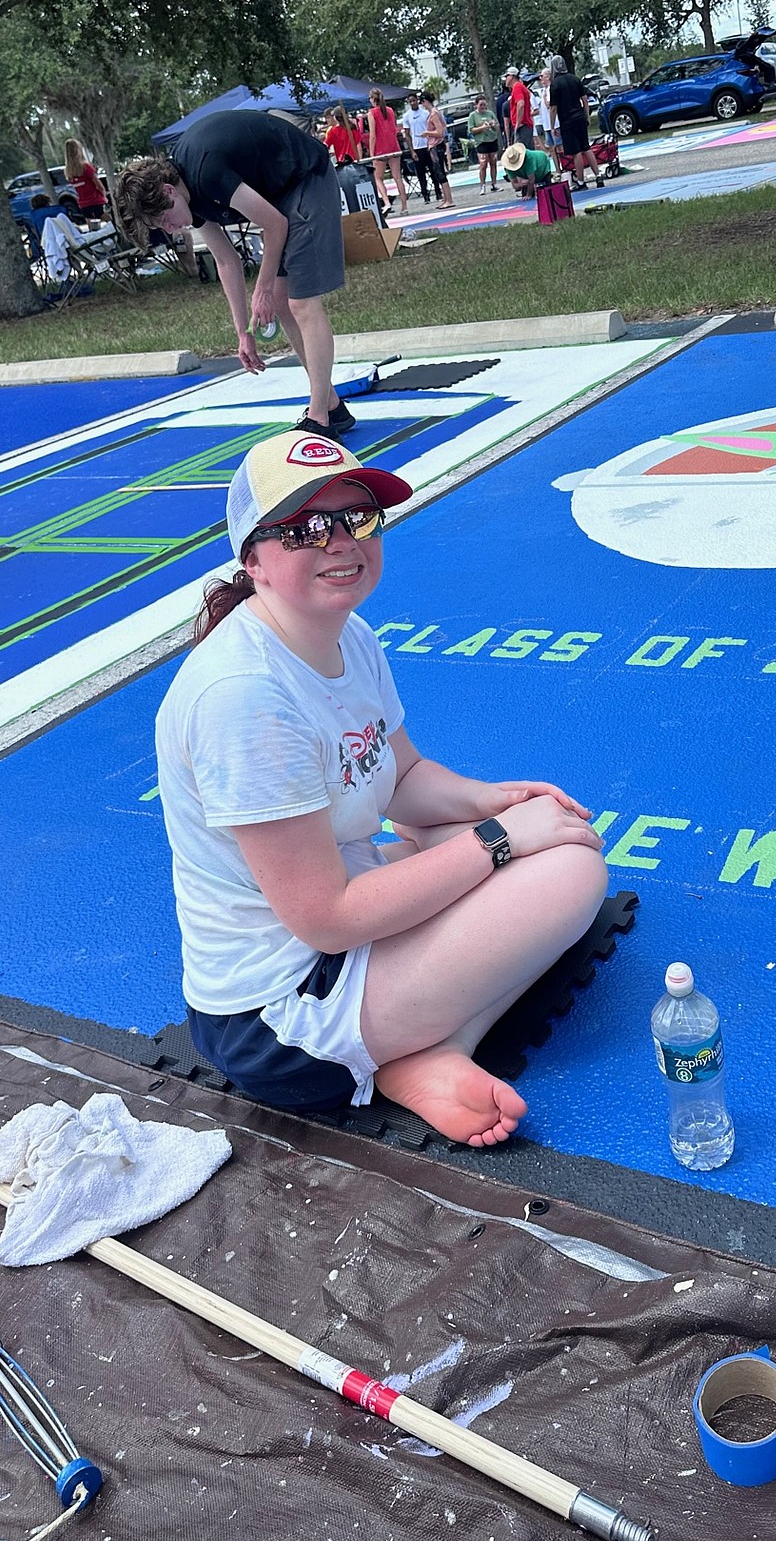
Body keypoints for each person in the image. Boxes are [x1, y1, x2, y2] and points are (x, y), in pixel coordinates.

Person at [155, 429, 607, 1145]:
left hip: (333, 933)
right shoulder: (244, 697)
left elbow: (402, 778)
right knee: (570, 873)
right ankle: (400, 1055)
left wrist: (495, 803)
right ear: (254, 559)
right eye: (305, 528)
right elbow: (326, 917)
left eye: (355, 518)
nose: (339, 541)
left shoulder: (346, 634)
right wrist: (497, 841)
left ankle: (424, 1051)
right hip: (278, 1017)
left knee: (498, 837)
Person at [115, 111, 354, 440]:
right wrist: (244, 333)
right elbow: (226, 261)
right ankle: (331, 406)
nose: (170, 229)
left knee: (300, 303)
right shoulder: (188, 197)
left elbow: (275, 225)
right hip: (280, 191)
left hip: (306, 176)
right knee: (283, 305)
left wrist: (264, 287)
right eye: (161, 229)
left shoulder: (206, 172)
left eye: (164, 221)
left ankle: (319, 418)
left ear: (169, 191)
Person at [548, 55, 605, 191]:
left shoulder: (555, 84)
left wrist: (552, 126)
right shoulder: (575, 79)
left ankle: (581, 181)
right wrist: (587, 116)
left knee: (576, 152)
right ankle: (598, 175)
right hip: (579, 117)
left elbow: (553, 107)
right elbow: (584, 99)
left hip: (567, 120)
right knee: (586, 147)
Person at [367, 89, 409, 216]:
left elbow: (373, 135)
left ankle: (386, 202)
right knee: (397, 177)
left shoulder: (372, 113)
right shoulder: (390, 111)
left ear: (373, 99)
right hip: (393, 146)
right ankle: (404, 206)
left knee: (378, 177)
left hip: (380, 149)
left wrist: (372, 152)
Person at [419, 92, 454, 208]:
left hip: (436, 145)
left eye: (422, 102)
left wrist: (427, 133)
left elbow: (439, 132)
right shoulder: (434, 112)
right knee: (438, 172)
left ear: (425, 101)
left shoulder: (434, 114)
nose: (422, 105)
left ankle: (448, 199)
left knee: (440, 172)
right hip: (435, 145)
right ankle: (446, 198)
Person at [401, 91, 434, 203]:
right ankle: (425, 195)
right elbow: (407, 134)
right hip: (417, 147)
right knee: (421, 174)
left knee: (433, 171)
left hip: (428, 145)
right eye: (410, 101)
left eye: (414, 100)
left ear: (417, 101)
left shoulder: (425, 113)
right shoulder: (407, 116)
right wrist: (412, 150)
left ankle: (438, 192)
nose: (412, 103)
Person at [466, 93, 501, 194]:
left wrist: (493, 125)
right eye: (481, 105)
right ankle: (482, 185)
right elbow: (471, 130)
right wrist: (481, 128)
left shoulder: (490, 113)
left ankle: (494, 184)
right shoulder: (473, 116)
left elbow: (497, 126)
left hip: (492, 140)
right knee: (483, 164)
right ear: (476, 105)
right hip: (481, 142)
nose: (483, 107)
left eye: (484, 105)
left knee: (493, 162)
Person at [64, 141, 107, 219]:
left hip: (83, 204)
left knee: (93, 227)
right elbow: (99, 185)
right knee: (109, 223)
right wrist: (104, 196)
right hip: (96, 200)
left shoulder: (68, 171)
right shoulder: (85, 166)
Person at [508, 69, 534, 147]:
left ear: (512, 76)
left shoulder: (517, 87)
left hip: (523, 126)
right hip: (525, 126)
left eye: (507, 76)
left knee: (522, 153)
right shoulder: (520, 86)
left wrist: (518, 123)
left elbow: (521, 104)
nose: (506, 79)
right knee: (528, 152)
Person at [494, 70, 515, 157]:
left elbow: (499, 115)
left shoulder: (499, 100)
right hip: (513, 125)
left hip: (505, 127)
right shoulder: (512, 97)